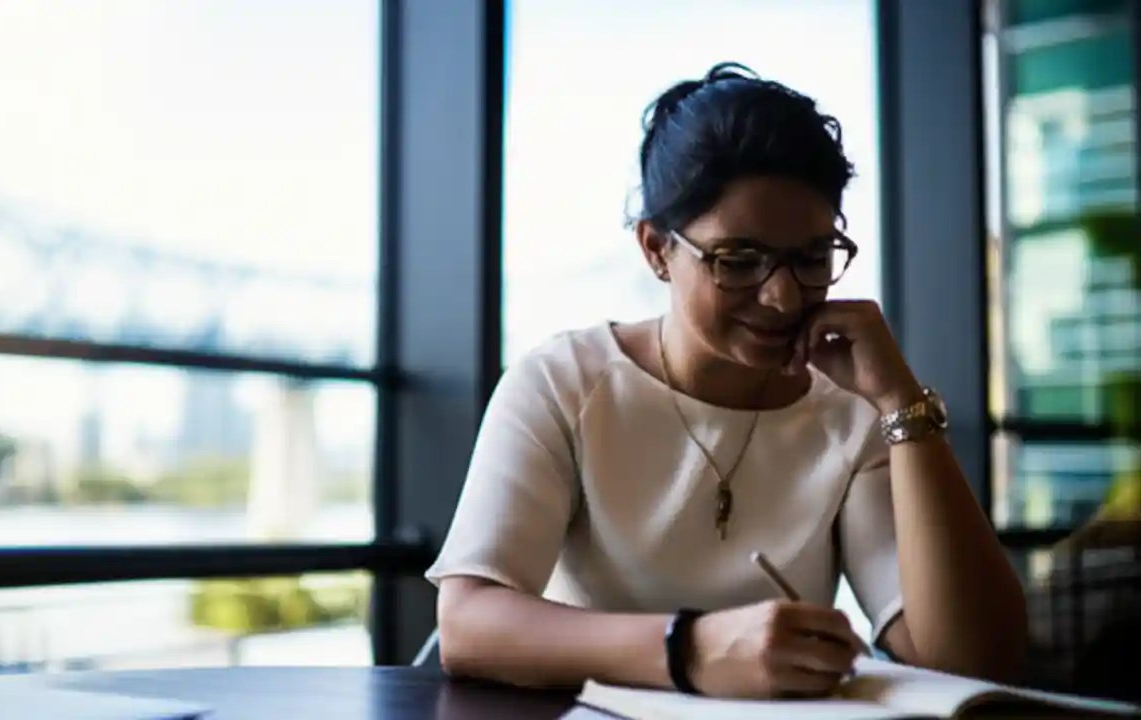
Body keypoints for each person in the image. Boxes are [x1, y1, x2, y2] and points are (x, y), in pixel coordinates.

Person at [425, 63, 1027, 699]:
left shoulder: (851, 414)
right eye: (737, 262)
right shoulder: (565, 382)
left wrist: (902, 406)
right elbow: (468, 625)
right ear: (657, 249)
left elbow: (968, 663)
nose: (780, 297)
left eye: (812, 258)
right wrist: (689, 650)